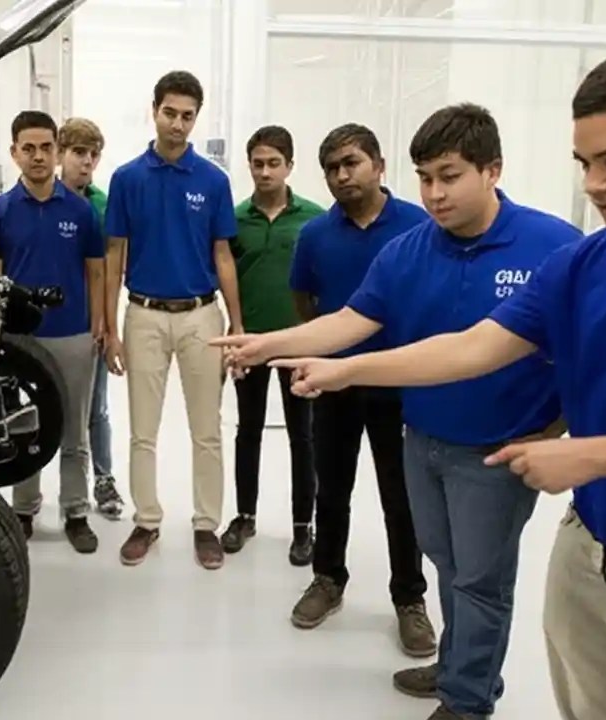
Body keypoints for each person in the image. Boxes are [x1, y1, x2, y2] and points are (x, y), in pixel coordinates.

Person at [261, 42, 606, 720]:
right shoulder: (590, 261)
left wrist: (593, 451)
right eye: (585, 164)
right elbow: (471, 348)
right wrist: (346, 369)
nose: (595, 184)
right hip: (591, 552)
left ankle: (466, 693)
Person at [216, 105, 580, 720]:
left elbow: (583, 342)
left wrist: (561, 423)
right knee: (445, 562)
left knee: (480, 580)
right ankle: (458, 662)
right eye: (424, 177)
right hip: (424, 436)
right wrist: (267, 342)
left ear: (492, 170)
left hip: (497, 447)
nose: (434, 193)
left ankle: (467, 700)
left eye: (449, 175)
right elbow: (351, 321)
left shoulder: (555, 246)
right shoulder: (411, 250)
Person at [232, 121, 434, 652]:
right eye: (332, 169)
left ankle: (409, 598)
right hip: (335, 381)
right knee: (333, 489)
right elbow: (307, 304)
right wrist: (326, 351)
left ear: (379, 165)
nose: (342, 176)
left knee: (400, 495)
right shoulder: (316, 234)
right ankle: (328, 578)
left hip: (397, 382)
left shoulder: (418, 227)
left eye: (352, 163)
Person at [102, 70, 242, 570]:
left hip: (202, 316)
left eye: (188, 116)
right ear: (154, 110)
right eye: (171, 113)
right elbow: (114, 254)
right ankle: (147, 519)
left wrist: (236, 326)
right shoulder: (126, 179)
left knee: (207, 429)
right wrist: (111, 327)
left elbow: (223, 254)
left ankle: (207, 524)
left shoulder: (213, 181)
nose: (179, 124)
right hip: (143, 315)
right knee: (143, 429)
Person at [0, 110, 106, 554]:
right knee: (24, 427)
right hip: (20, 342)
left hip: (73, 334)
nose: (38, 156)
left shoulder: (81, 210)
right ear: (14, 153)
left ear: (56, 150)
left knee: (75, 428)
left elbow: (96, 272)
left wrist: (100, 326)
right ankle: (24, 508)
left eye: (46, 147)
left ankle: (76, 510)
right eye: (28, 148)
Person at [219, 125, 323, 566]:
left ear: (290, 166)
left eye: (273, 163)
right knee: (249, 430)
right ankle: (245, 515)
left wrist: (319, 341)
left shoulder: (315, 218)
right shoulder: (236, 218)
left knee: (304, 435)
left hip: (299, 343)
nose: (265, 171)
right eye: (258, 163)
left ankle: (303, 526)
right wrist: (237, 334)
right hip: (253, 341)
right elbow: (229, 279)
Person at [56, 116, 126, 521]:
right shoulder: (46, 201)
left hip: (89, 322)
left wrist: (105, 323)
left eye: (93, 155)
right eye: (78, 153)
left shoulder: (100, 207)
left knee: (96, 408)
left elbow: (109, 272)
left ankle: (103, 478)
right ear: (62, 153)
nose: (86, 162)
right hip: (49, 324)